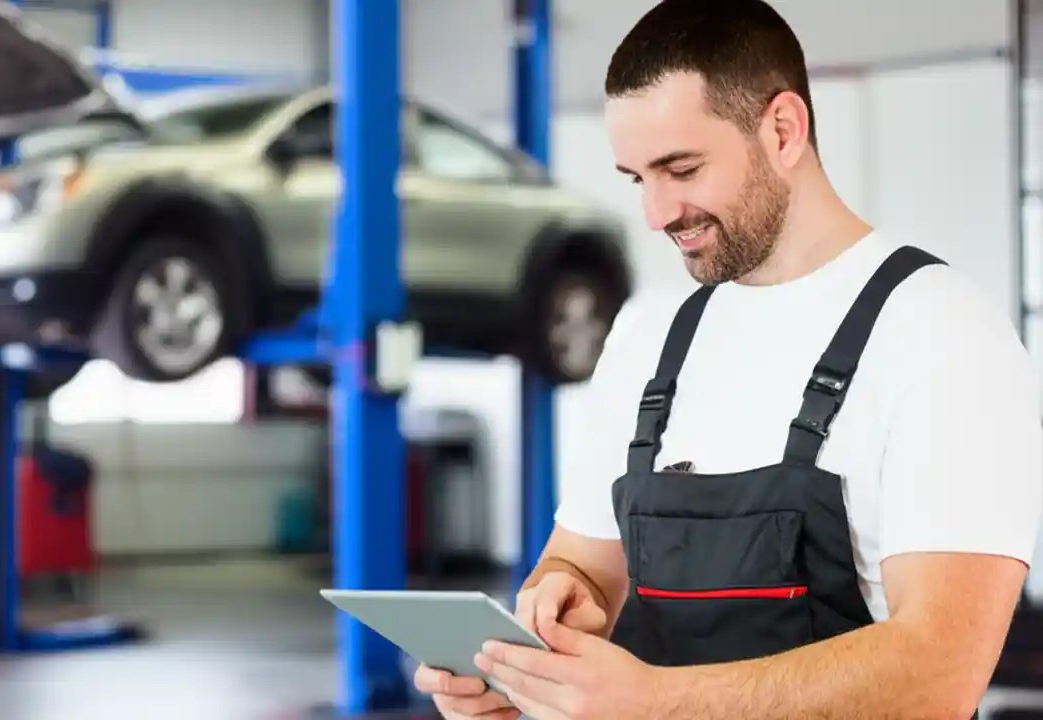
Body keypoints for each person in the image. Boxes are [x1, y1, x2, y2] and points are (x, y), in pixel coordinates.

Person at [412, 0, 1043, 718]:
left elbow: (937, 673)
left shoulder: (941, 333)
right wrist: (540, 642)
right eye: (636, 178)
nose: (657, 213)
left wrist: (657, 702)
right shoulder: (649, 333)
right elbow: (582, 564)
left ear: (783, 130)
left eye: (681, 167)